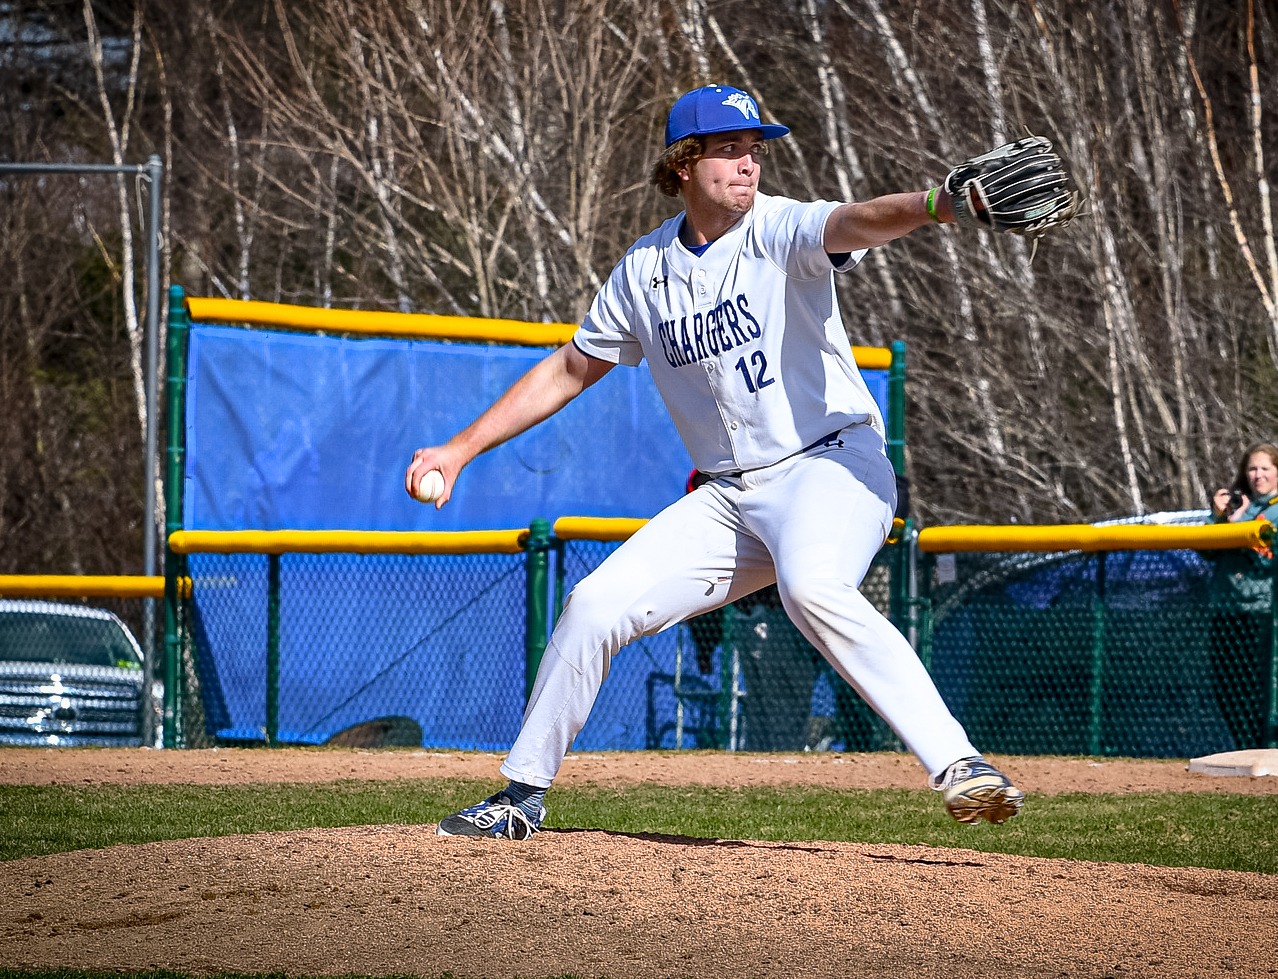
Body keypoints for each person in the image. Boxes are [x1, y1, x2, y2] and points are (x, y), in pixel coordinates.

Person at [404, 84, 1023, 839]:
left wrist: (937, 204)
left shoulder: (779, 229)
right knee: (593, 605)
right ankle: (518, 796)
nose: (748, 164)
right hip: (731, 498)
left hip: (832, 467)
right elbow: (570, 367)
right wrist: (458, 448)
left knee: (811, 584)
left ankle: (959, 763)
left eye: (754, 149)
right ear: (684, 163)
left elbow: (852, 219)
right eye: (730, 149)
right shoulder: (643, 270)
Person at [1201, 443, 1278, 751]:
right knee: (1226, 689)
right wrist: (1220, 517)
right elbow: (1206, 551)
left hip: (1264, 614)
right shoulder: (1241, 506)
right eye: (1252, 469)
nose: (1257, 475)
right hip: (1227, 610)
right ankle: (1243, 747)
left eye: (1265, 468)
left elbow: (1271, 559)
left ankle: (1263, 747)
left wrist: (1240, 527)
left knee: (1256, 689)